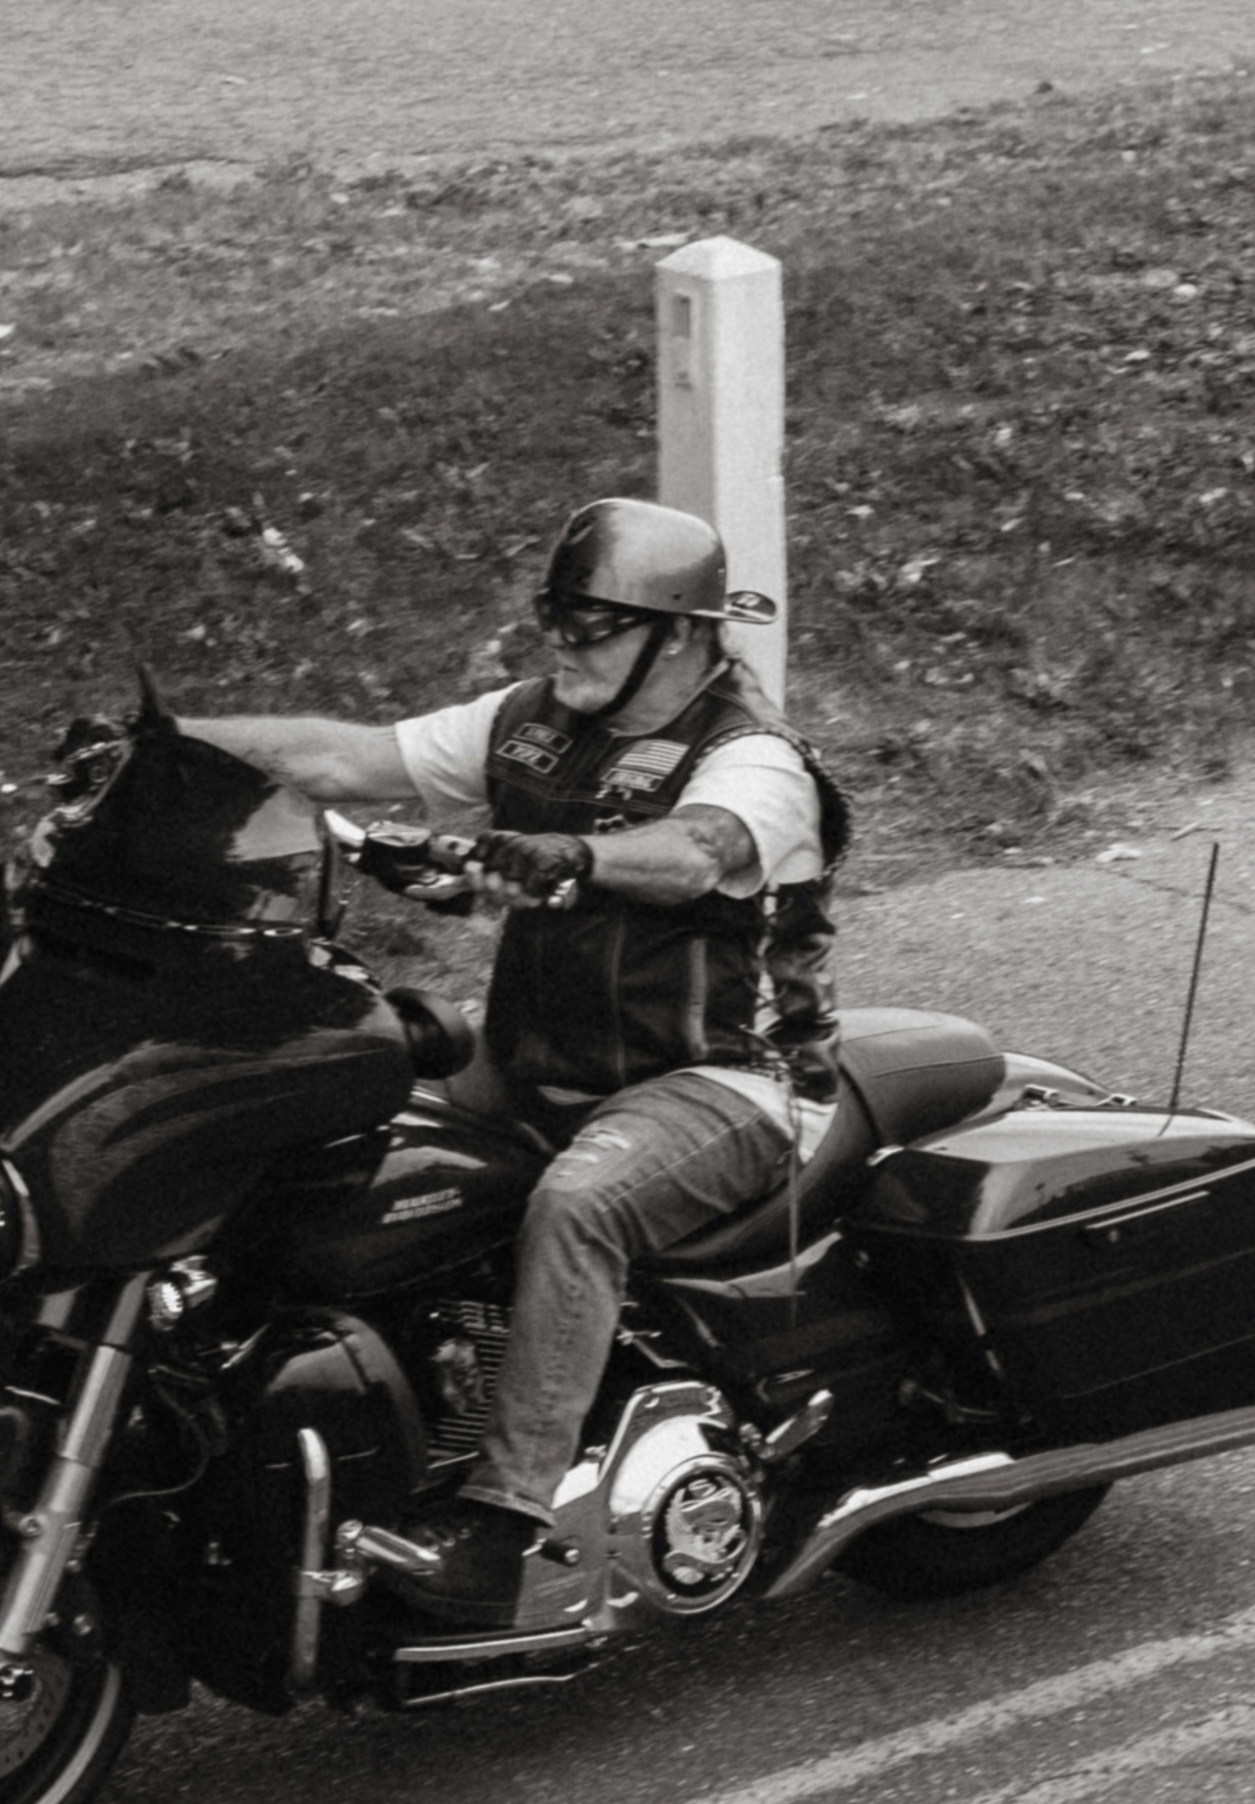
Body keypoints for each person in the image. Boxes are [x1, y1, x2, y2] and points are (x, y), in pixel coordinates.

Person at [198, 501, 833, 1641]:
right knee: (342, 1128)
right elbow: (349, 756)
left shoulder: (752, 757)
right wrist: (169, 744)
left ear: (679, 637)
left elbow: (694, 857)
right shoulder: (532, 722)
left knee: (578, 1205)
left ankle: (505, 1526)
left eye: (589, 622)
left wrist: (571, 856)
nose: (560, 642)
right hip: (538, 1063)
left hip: (724, 1082)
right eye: (554, 614)